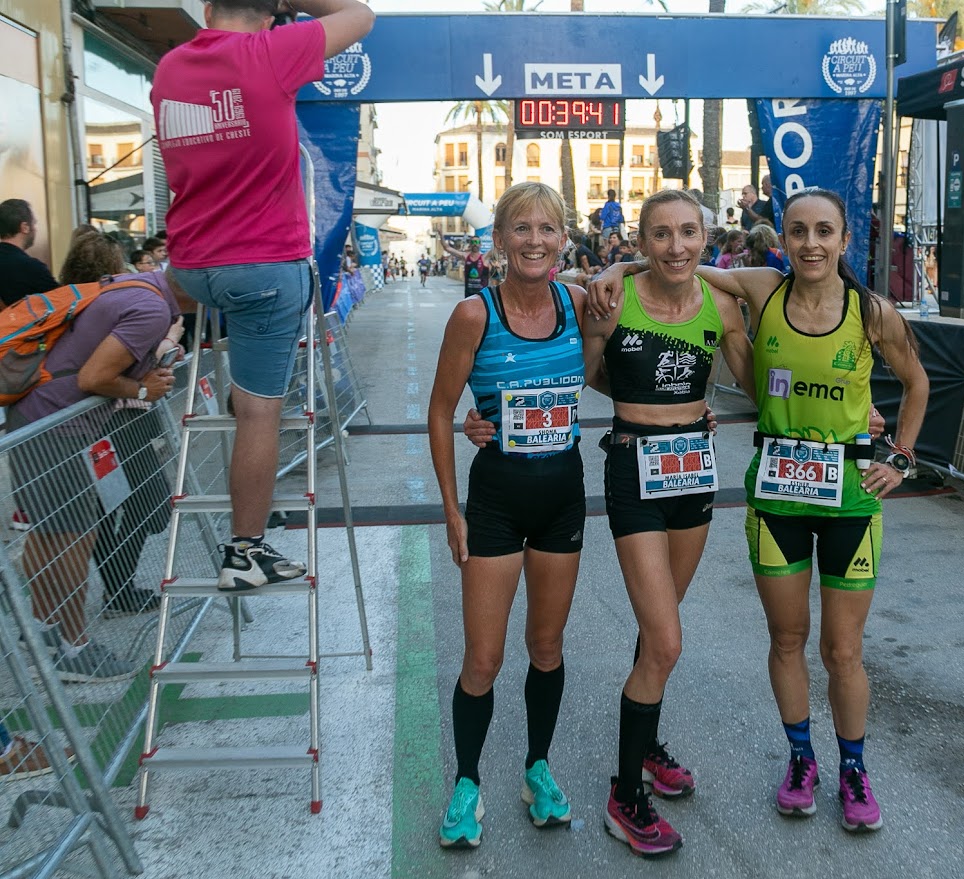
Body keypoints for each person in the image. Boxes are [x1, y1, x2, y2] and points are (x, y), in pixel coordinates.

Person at [589, 188, 926, 835]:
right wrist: (616, 268)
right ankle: (800, 760)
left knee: (843, 649)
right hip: (776, 497)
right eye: (798, 231)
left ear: (844, 239)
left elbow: (917, 382)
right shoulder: (762, 286)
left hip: (849, 497)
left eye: (824, 231)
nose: (810, 244)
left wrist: (901, 459)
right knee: (787, 639)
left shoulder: (870, 309)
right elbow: (677, 262)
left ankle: (853, 768)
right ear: (783, 239)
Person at [151, 0, 375, 591]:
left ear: (205, 6)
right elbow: (360, 14)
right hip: (263, 268)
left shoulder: (170, 67)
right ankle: (245, 552)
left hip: (193, 266)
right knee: (261, 413)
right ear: (274, 10)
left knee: (246, 392)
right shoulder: (271, 54)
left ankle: (240, 391)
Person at [428, 183, 602, 849]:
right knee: (483, 655)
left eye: (547, 229)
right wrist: (451, 509)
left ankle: (537, 768)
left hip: (561, 495)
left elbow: (610, 373)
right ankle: (467, 782)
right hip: (495, 499)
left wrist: (675, 413)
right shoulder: (474, 315)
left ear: (563, 239)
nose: (534, 240)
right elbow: (440, 412)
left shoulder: (579, 302)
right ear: (498, 240)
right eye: (521, 228)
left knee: (547, 646)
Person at [586, 190, 753, 857]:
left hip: (692, 473)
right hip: (632, 472)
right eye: (660, 234)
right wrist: (644, 410)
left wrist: (858, 414)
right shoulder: (609, 297)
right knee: (666, 640)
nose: (676, 246)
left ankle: (646, 742)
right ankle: (624, 796)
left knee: (662, 630)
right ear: (639, 240)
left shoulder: (721, 305)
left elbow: (762, 381)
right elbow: (590, 373)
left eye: (688, 233)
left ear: (706, 237)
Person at [9, 268, 183, 682]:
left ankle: (43, 633)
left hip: (36, 417)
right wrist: (143, 390)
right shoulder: (151, 308)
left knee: (49, 533)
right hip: (57, 428)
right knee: (72, 538)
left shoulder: (132, 286)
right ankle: (73, 647)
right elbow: (94, 377)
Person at [0, 199, 58, 306]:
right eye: (34, 224)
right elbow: (62, 302)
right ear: (25, 227)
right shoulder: (32, 268)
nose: (35, 229)